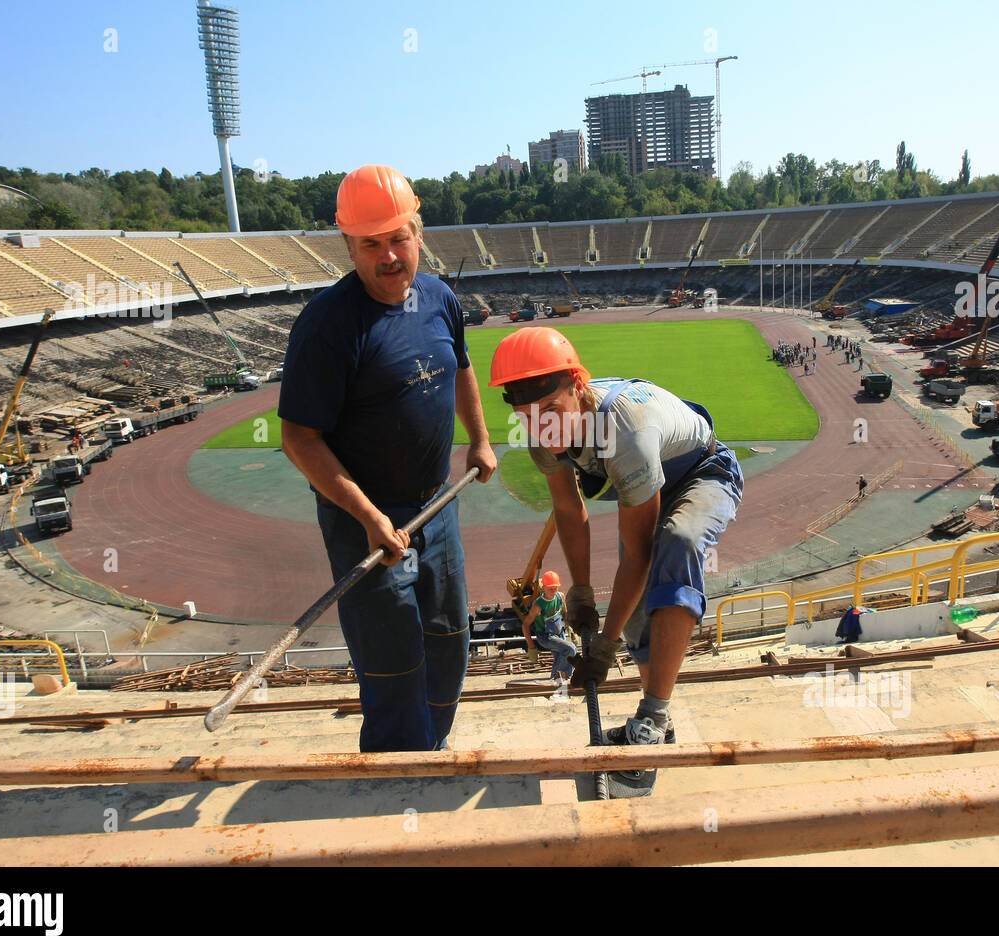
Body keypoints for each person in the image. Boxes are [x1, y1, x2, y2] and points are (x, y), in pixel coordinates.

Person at [278, 164, 497, 753]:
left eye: (399, 237)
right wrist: (370, 518)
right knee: (393, 657)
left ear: (418, 233)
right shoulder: (328, 327)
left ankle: (433, 746)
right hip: (365, 524)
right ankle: (400, 773)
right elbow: (299, 438)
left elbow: (463, 370)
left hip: (436, 505)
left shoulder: (440, 298)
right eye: (370, 243)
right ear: (348, 246)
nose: (389, 255)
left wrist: (478, 439)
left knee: (451, 639)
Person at [489, 326, 743, 794]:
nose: (544, 429)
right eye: (527, 417)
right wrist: (581, 591)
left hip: (702, 473)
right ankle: (658, 728)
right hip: (650, 486)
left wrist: (602, 647)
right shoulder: (543, 435)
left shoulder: (625, 431)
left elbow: (641, 554)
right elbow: (568, 508)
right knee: (633, 620)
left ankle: (652, 717)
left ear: (578, 386)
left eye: (550, 410)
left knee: (679, 542)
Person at [521, 570, 576, 683]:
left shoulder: (560, 597)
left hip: (559, 634)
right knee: (571, 649)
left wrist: (571, 628)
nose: (553, 590)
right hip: (546, 637)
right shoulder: (538, 605)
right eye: (550, 588)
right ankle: (558, 676)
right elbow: (525, 625)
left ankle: (558, 679)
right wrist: (531, 647)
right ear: (543, 587)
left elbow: (565, 613)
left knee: (561, 657)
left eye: (555, 587)